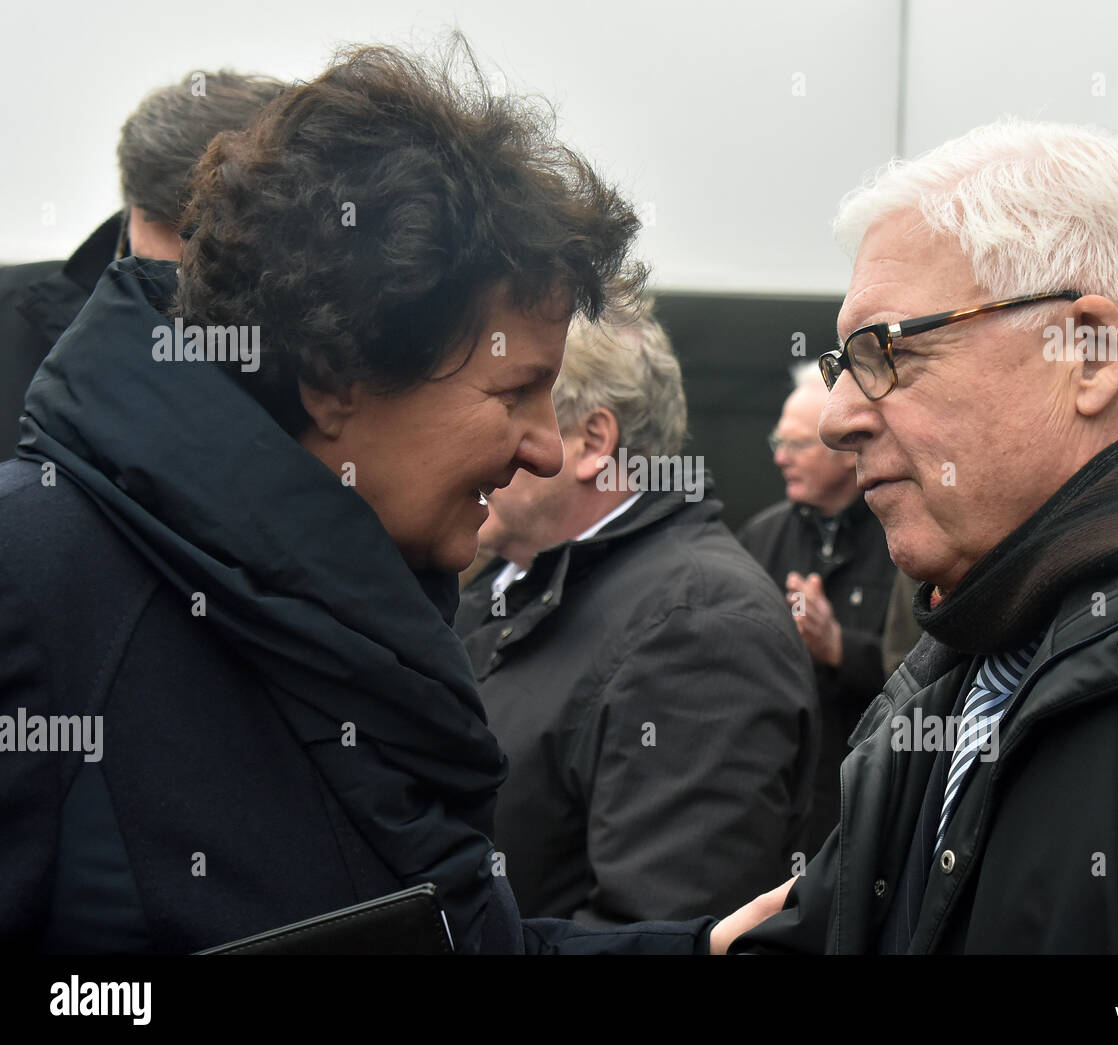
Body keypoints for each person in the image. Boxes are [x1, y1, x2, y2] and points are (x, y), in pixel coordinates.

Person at [0, 42, 718, 955]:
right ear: (334, 375)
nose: (545, 446)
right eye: (513, 393)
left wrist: (702, 950)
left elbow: (453, 938)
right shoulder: (34, 581)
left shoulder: (373, 593)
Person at [733, 117, 1118, 954]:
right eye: (840, 367)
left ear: (1091, 352)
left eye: (884, 351)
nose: (841, 420)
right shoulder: (989, 629)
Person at [455, 307, 819, 923]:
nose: (465, 436)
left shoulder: (701, 626)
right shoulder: (507, 578)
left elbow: (659, 930)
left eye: (508, 402)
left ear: (594, 442)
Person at [0, 70, 285, 451]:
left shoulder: (328, 349)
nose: (199, 254)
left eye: (223, 225)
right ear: (133, 205)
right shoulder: (9, 317)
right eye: (180, 226)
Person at [737, 362, 894, 848]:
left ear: (847, 450)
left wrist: (839, 648)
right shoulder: (760, 539)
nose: (781, 458)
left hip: (868, 806)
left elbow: (931, 670)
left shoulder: (904, 539)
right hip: (773, 802)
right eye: (777, 443)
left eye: (798, 445)